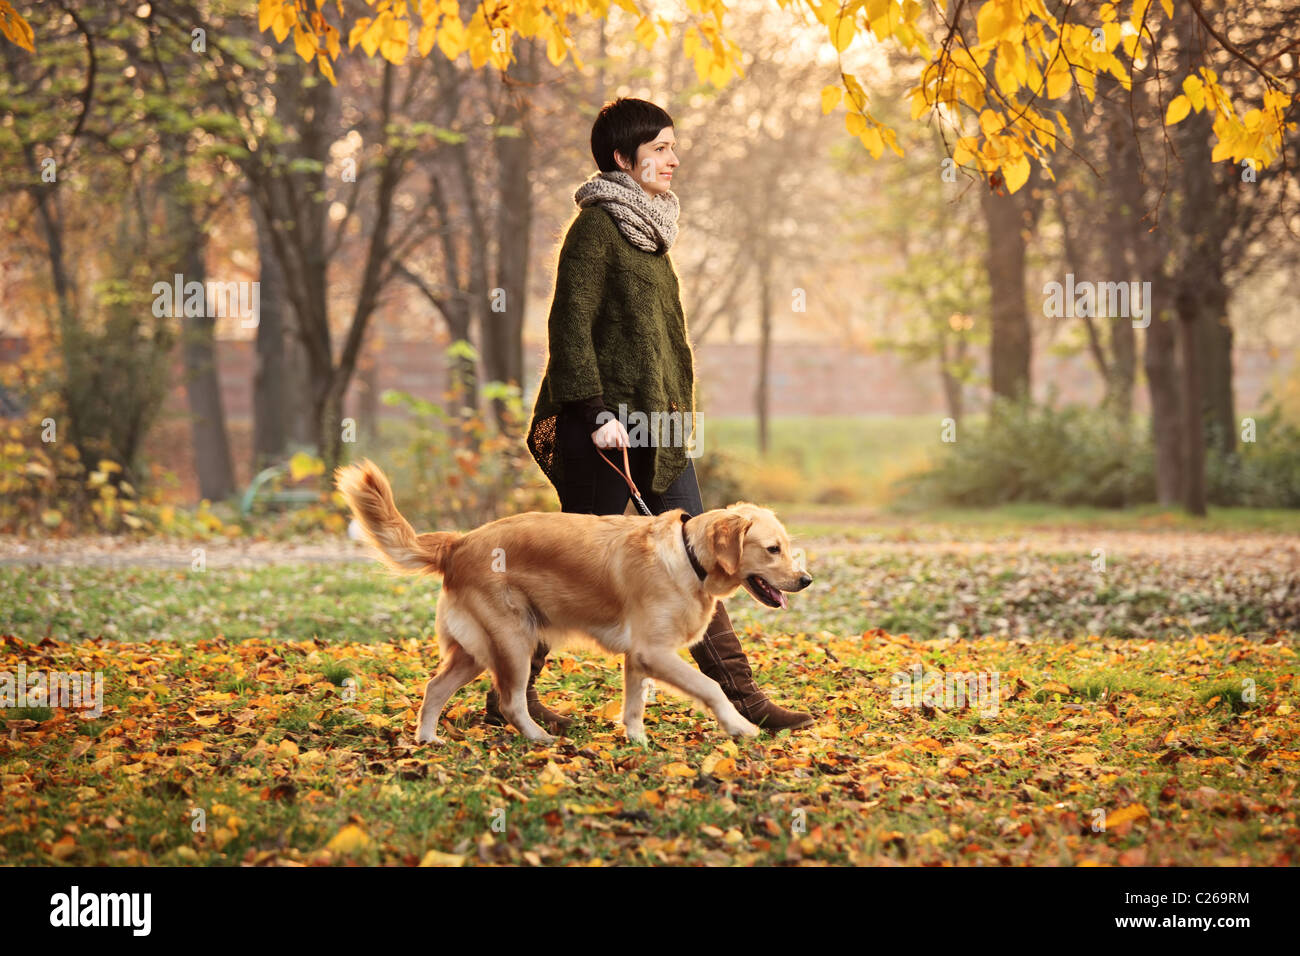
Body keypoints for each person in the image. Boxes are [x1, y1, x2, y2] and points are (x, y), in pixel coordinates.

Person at [502, 96, 814, 735]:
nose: (674, 158)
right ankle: (512, 697)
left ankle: (742, 696)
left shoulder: (651, 232)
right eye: (661, 148)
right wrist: (592, 412)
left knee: (705, 552)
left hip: (660, 429)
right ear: (624, 156)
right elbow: (571, 327)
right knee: (568, 563)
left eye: (674, 146)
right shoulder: (596, 228)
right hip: (606, 430)